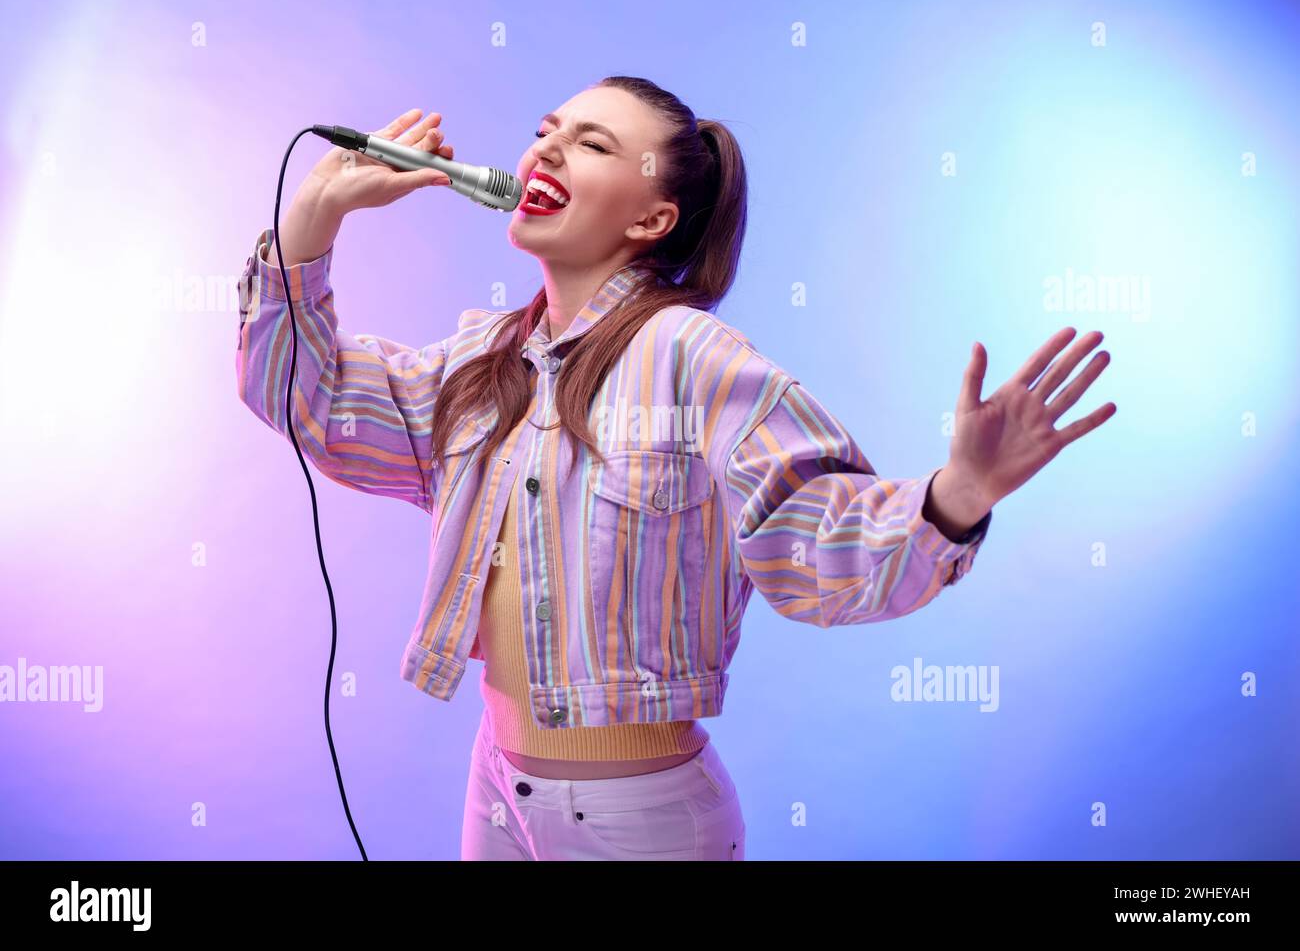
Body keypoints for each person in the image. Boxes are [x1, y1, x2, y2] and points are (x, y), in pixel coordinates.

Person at [235, 76, 1116, 860]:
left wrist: (958, 494)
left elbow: (811, 531)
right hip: (497, 784)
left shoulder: (693, 356)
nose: (547, 145)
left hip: (640, 821)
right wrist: (311, 223)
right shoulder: (481, 361)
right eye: (549, 127)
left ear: (652, 217)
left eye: (592, 142)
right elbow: (301, 397)